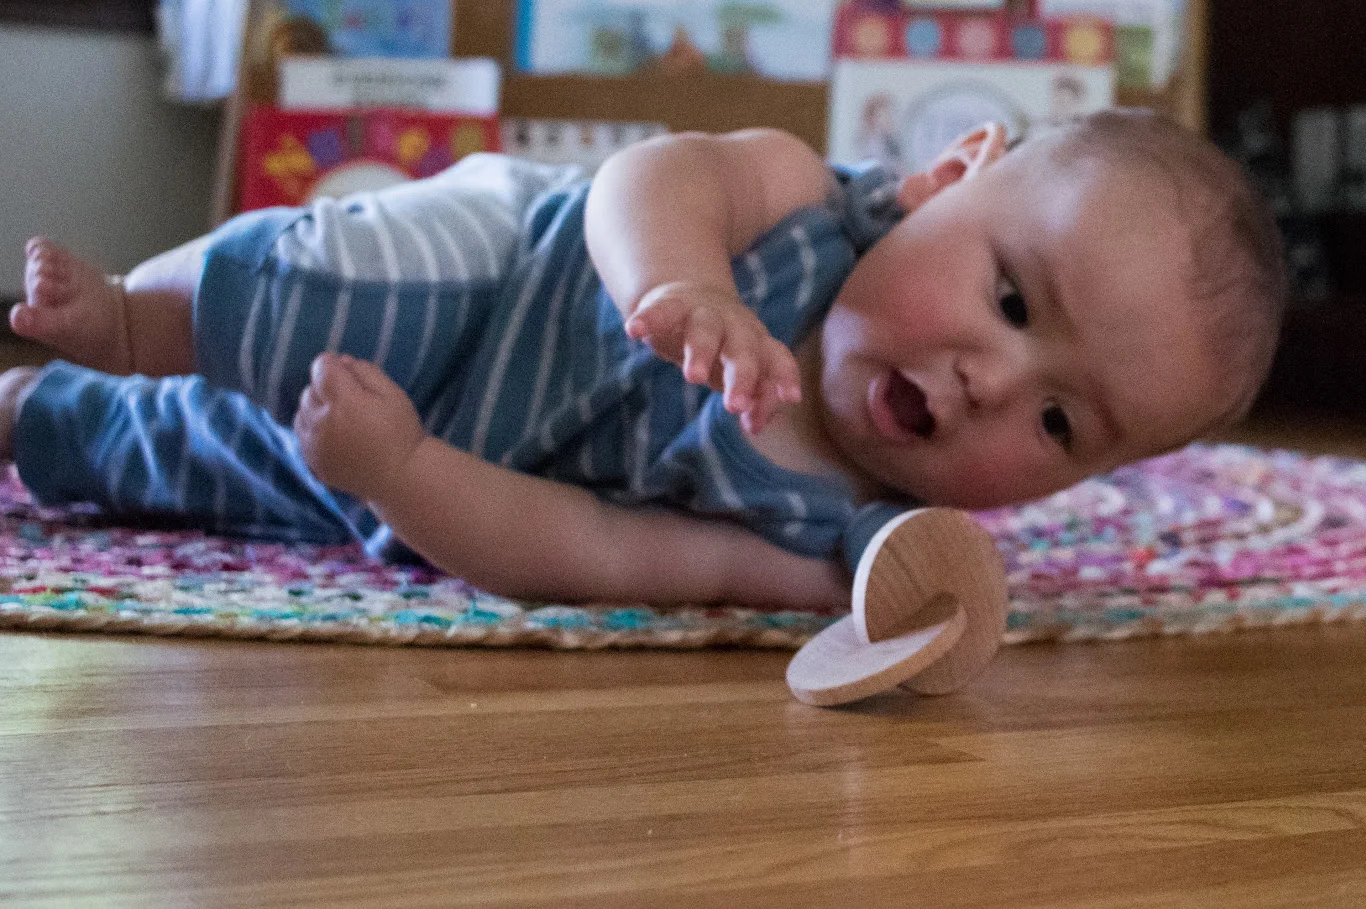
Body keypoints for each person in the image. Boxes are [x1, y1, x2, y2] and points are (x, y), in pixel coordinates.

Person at [0, 112, 1286, 612]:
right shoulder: (798, 208)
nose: (991, 381)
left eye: (1062, 424)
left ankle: (31, 413)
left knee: (184, 461)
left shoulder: (822, 536)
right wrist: (681, 281)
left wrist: (401, 476)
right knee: (314, 290)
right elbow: (647, 178)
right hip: (491, 276)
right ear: (946, 179)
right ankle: (130, 315)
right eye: (1008, 295)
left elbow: (595, 553)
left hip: (431, 468)